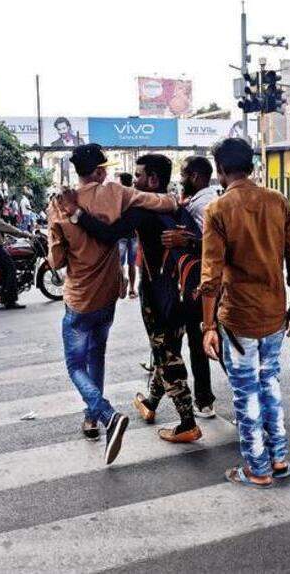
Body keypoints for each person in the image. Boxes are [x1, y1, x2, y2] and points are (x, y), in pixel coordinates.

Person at [46, 143, 177, 464]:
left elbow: (57, 261)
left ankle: (105, 414)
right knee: (96, 356)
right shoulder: (117, 193)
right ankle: (91, 419)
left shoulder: (59, 207)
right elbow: (165, 201)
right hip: (107, 296)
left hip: (78, 297)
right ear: (101, 171)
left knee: (75, 365)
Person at [59, 154, 203, 443]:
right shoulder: (179, 207)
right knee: (165, 347)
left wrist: (77, 213)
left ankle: (188, 422)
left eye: (137, 176)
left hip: (159, 295)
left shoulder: (142, 210)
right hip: (185, 293)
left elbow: (110, 234)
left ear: (152, 179)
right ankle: (151, 402)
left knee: (166, 353)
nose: (133, 181)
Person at [198, 138, 290, 488]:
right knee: (270, 384)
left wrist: (207, 326)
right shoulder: (278, 201)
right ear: (251, 165)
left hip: (239, 318)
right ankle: (278, 458)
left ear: (220, 169)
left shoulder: (218, 209)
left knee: (246, 393)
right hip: (275, 312)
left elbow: (210, 278)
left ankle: (257, 468)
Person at [161, 155, 218, 416]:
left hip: (206, 286)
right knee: (199, 340)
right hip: (200, 284)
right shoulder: (197, 201)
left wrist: (189, 242)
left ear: (194, 176)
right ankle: (203, 399)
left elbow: (220, 246)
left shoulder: (203, 204)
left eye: (183, 174)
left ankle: (206, 400)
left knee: (207, 340)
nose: (180, 179)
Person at [0, 189, 31, 309]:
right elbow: (7, 227)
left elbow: (0, 230)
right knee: (11, 269)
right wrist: (25, 234)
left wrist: (7, 238)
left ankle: (5, 295)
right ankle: (10, 300)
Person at [112, 172, 139, 299]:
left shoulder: (118, 196)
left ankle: (122, 284)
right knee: (132, 264)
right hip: (133, 234)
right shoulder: (135, 195)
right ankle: (132, 289)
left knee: (120, 263)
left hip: (121, 235)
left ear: (122, 182)